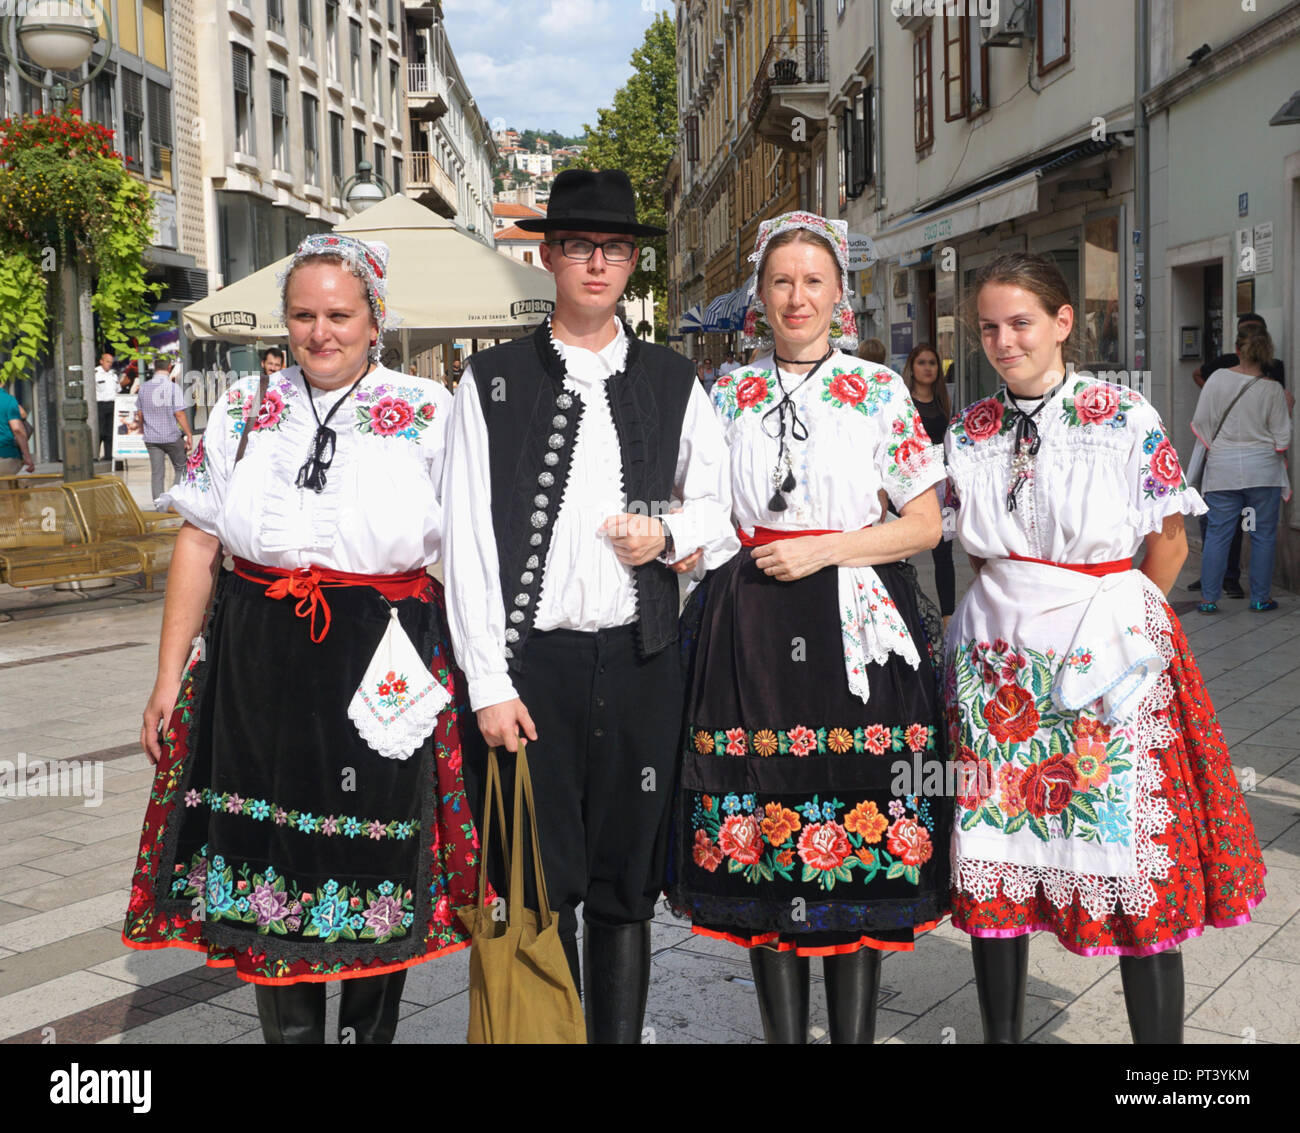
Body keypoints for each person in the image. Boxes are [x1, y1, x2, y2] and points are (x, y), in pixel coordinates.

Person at [123, 233, 477, 1044]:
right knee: (264, 860)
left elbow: (466, 556)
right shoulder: (246, 409)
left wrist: (484, 678)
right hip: (255, 666)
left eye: (340, 315)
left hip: (378, 659)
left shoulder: (430, 411)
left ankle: (364, 1034)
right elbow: (199, 542)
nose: (322, 332)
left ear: (374, 318)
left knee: (371, 861)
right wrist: (167, 676)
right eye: (304, 314)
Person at [444, 169, 737, 1043]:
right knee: (537, 880)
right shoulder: (488, 380)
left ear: (633, 262)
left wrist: (666, 531)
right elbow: (465, 543)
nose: (596, 263)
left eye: (612, 248)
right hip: (535, 669)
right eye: (578, 247)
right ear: (548, 257)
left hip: (643, 660)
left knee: (625, 885)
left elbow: (721, 513)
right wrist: (489, 682)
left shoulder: (674, 377)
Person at [943, 252, 1265, 1044]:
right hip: (1001, 670)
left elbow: (1170, 541)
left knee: (1130, 858)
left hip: (1106, 656)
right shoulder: (967, 431)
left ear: (1061, 322)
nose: (1003, 341)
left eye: (1020, 322)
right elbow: (976, 555)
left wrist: (1122, 618)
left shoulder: (1123, 414)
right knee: (1000, 851)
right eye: (988, 327)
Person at [669, 212, 950, 1045]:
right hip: (746, 625)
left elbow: (926, 523)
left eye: (813, 281)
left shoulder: (879, 388)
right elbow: (703, 512)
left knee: (857, 813)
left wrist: (827, 548)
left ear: (840, 294)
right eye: (781, 281)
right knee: (760, 832)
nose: (798, 297)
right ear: (759, 294)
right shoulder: (725, 390)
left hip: (857, 629)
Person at [1188, 314, 1292, 597]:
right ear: (1266, 351)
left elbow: (1200, 423)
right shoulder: (1273, 389)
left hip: (1222, 471)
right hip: (1263, 474)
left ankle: (1209, 599)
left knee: (1218, 536)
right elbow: (1283, 438)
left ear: (1236, 349)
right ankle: (1259, 599)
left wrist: (1220, 447)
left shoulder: (1217, 378)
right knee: (1262, 536)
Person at [902, 343, 955, 622]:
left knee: (944, 552)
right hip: (910, 484)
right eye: (922, 362)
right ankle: (905, 613)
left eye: (932, 363)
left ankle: (948, 617)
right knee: (904, 550)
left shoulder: (944, 401)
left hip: (941, 485)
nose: (927, 368)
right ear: (912, 367)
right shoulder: (902, 401)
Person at [135, 359, 194, 504]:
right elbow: (179, 414)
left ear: (155, 368)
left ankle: (159, 506)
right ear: (169, 367)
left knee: (157, 473)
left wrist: (143, 428)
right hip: (171, 437)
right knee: (181, 467)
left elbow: (140, 413)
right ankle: (174, 500)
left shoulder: (143, 388)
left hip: (151, 438)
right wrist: (189, 434)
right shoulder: (173, 388)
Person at [0, 384, 35, 475]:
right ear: (2, 382)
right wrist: (28, 458)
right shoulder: (8, 400)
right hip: (6, 455)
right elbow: (17, 429)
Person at [93, 351, 117, 459]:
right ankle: (95, 455)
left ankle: (108, 455)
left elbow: (118, 389)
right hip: (100, 405)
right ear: (101, 361)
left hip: (112, 404)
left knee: (110, 433)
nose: (109, 364)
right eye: (107, 361)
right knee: (100, 432)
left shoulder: (113, 374)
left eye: (111, 362)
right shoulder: (95, 374)